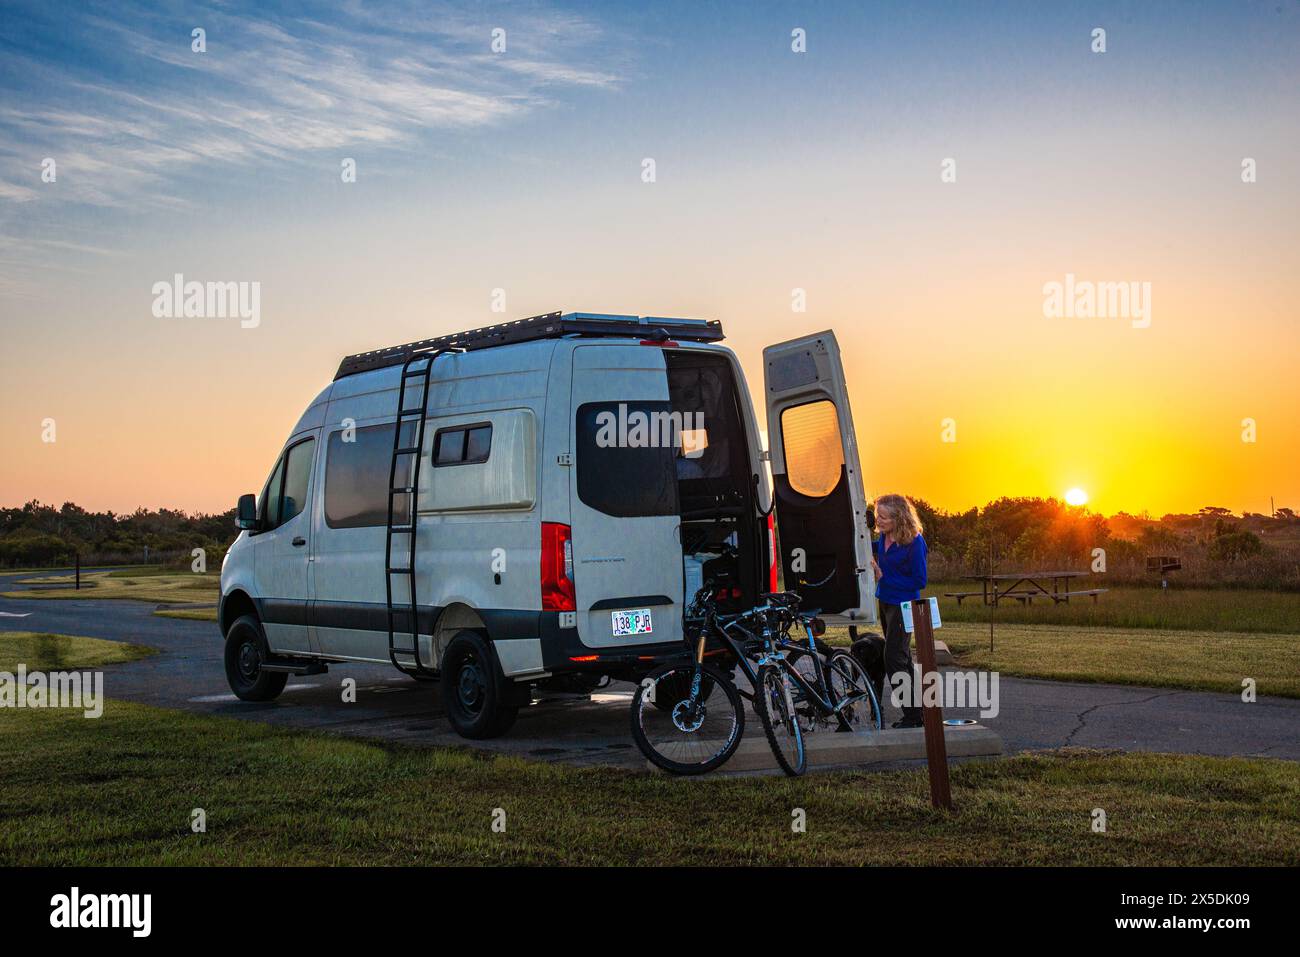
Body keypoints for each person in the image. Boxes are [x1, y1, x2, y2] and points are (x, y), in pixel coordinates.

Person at [870, 494, 928, 728]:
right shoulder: (884, 537)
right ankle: (918, 713)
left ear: (899, 517)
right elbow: (873, 548)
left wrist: (884, 577)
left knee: (893, 658)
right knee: (902, 658)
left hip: (904, 606)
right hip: (885, 602)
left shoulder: (914, 541)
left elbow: (919, 580)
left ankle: (913, 716)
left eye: (883, 517)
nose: (878, 520)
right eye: (877, 515)